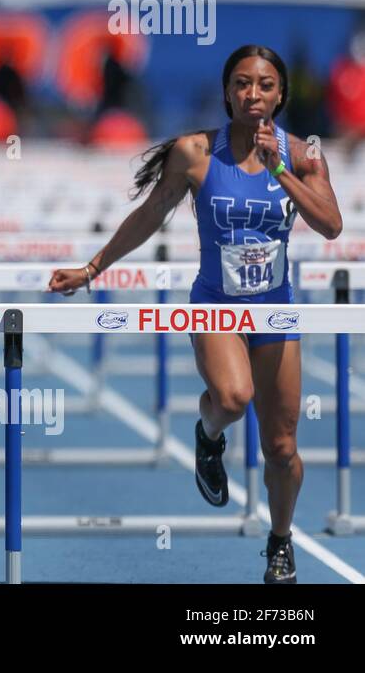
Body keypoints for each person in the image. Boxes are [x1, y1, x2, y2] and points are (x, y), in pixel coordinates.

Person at [48, 45, 342, 584]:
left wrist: (279, 168)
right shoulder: (195, 152)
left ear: (282, 95)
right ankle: (210, 433)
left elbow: (330, 225)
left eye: (266, 85)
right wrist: (92, 269)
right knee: (233, 398)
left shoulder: (302, 154)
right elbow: (150, 214)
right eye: (243, 84)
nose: (254, 94)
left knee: (281, 449)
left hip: (275, 311)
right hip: (216, 305)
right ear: (227, 91)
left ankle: (280, 541)